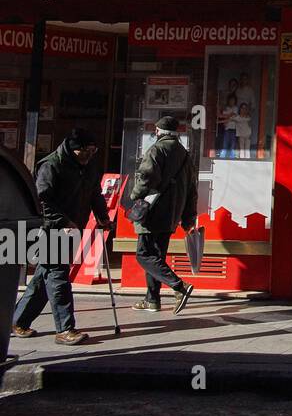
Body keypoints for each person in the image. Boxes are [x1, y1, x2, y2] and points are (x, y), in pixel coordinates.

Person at [11, 129, 109, 345]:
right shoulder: (51, 165)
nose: (88, 155)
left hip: (73, 227)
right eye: (84, 151)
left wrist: (102, 216)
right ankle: (65, 329)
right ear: (72, 149)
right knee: (58, 276)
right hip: (51, 229)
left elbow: (94, 192)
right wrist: (63, 221)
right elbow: (42, 200)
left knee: (43, 276)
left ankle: (18, 321)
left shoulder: (89, 165)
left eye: (93, 151)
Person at [128, 116, 197, 314]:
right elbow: (192, 189)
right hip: (172, 214)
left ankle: (179, 286)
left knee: (144, 255)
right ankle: (152, 300)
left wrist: (135, 195)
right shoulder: (184, 154)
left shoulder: (157, 150)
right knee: (156, 256)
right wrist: (188, 218)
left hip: (152, 210)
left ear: (158, 131)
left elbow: (146, 177)